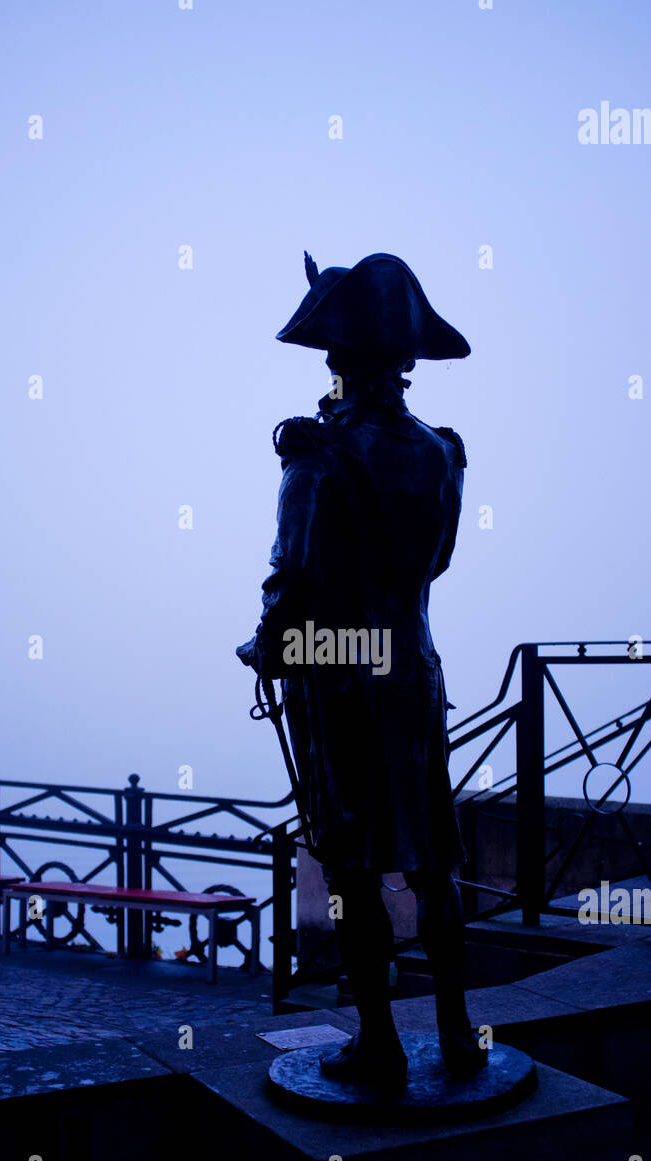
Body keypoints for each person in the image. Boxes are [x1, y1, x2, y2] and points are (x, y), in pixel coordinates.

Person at [237, 251, 484, 1089]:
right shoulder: (442, 455)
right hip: (415, 670)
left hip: (341, 676)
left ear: (339, 361)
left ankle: (378, 1042)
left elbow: (294, 575)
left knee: (349, 861)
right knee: (429, 860)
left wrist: (269, 642)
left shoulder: (316, 452)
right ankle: (455, 1033)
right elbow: (436, 564)